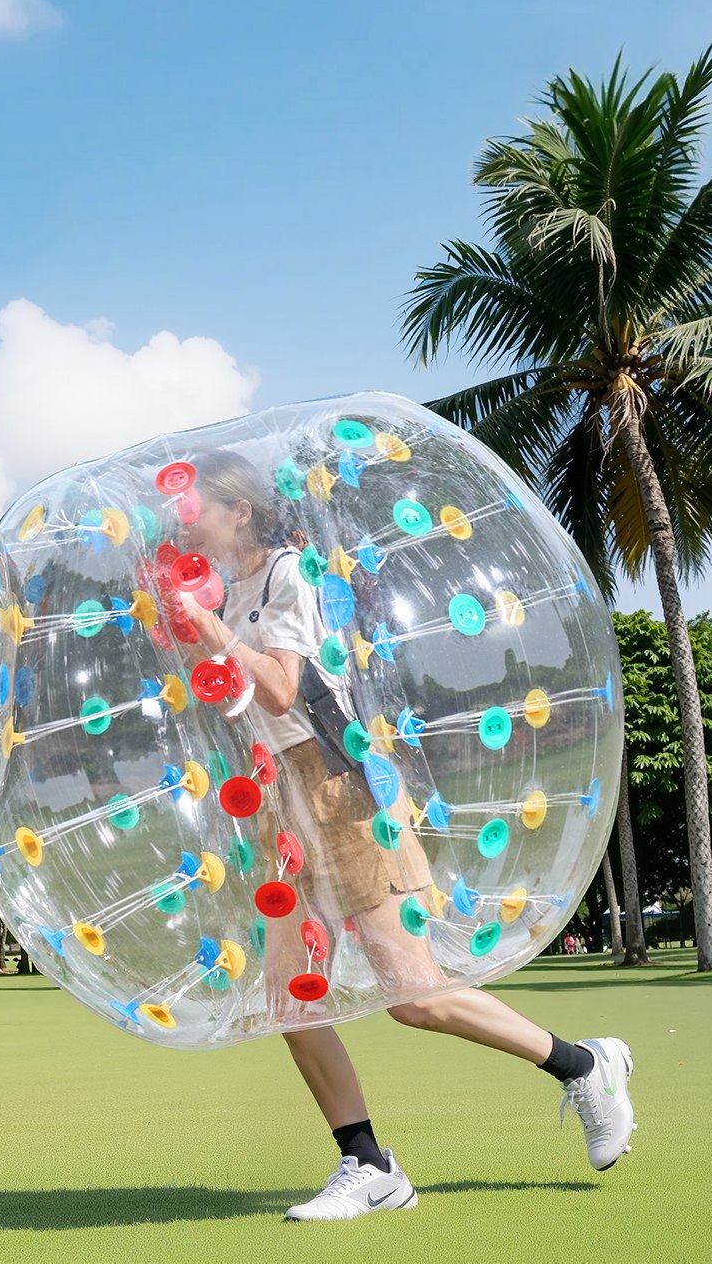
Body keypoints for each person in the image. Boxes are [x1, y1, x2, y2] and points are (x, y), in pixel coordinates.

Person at [177, 451, 636, 1222]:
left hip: (337, 787)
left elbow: (286, 686)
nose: (189, 524)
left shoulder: (289, 574)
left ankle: (585, 1064)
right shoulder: (237, 590)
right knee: (291, 1000)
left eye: (200, 510)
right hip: (275, 800)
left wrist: (211, 627)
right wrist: (195, 633)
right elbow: (236, 699)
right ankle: (369, 1164)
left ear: (240, 510)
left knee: (414, 997)